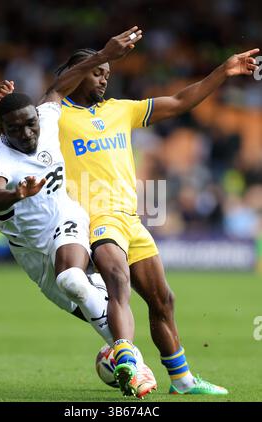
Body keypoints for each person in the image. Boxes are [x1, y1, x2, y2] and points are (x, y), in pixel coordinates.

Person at [53, 30, 259, 396]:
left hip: (131, 219)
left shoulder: (120, 110)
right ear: (78, 71)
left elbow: (180, 102)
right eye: (98, 72)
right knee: (118, 281)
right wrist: (101, 54)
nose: (104, 78)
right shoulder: (56, 115)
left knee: (163, 299)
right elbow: (52, 90)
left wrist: (222, 72)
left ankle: (182, 381)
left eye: (107, 73)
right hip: (97, 218)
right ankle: (127, 359)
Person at [0, 27, 157, 399]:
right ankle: (130, 361)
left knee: (73, 278)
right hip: (32, 254)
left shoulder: (45, 118)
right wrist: (16, 193)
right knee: (81, 295)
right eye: (16, 128)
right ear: (2, 130)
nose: (28, 132)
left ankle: (131, 363)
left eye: (31, 123)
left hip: (67, 219)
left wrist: (103, 54)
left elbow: (60, 86)